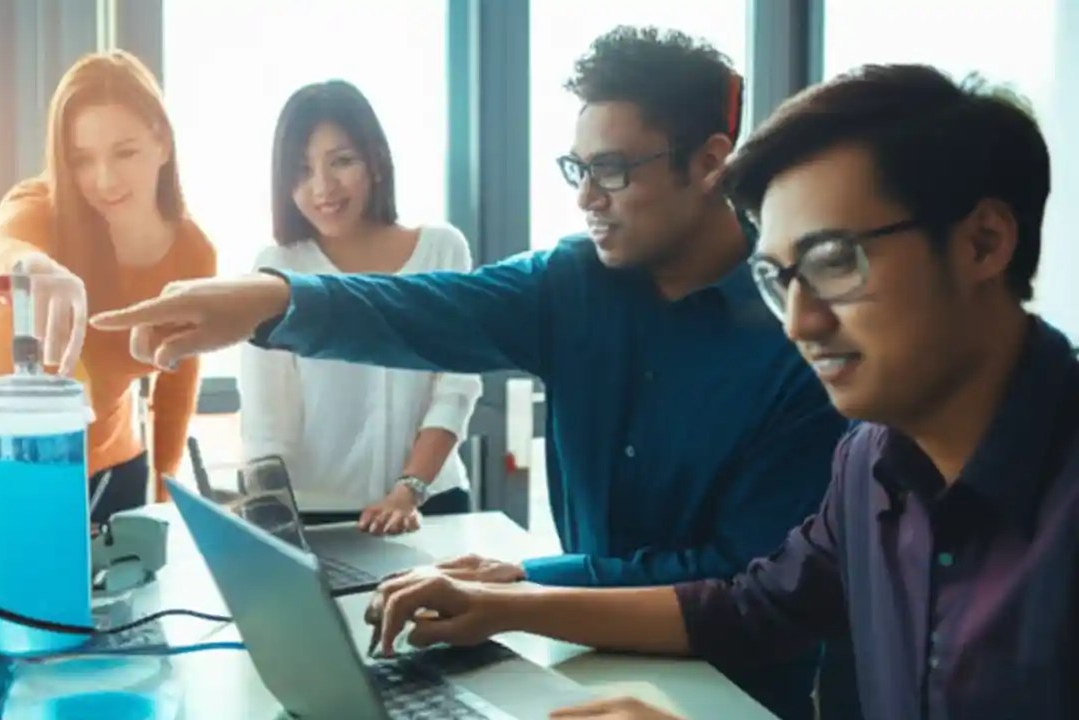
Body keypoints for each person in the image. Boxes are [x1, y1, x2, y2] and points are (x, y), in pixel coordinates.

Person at [90, 28, 846, 718]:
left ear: (711, 161)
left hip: (729, 699)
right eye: (579, 169)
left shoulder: (797, 340)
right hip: (587, 670)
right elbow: (429, 309)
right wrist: (269, 301)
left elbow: (741, 586)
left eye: (612, 171)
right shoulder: (576, 282)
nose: (586, 197)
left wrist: (526, 589)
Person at [347, 64, 1073, 720]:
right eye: (778, 277)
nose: (800, 322)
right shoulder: (870, 463)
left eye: (834, 262)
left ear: (983, 243)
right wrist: (506, 602)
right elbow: (748, 607)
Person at [0, 50, 216, 638]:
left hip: (111, 464)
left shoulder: (194, 252)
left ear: (162, 142)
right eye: (82, 159)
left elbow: (176, 378)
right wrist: (38, 268)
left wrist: (165, 485)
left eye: (126, 152)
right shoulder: (37, 205)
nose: (105, 180)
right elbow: (8, 245)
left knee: (108, 636)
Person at [242, 79, 482, 533]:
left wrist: (408, 491)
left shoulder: (441, 250)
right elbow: (266, 424)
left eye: (342, 161)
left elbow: (455, 388)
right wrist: (264, 519)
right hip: (315, 516)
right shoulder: (275, 269)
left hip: (432, 501)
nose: (323, 188)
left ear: (375, 162)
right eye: (302, 170)